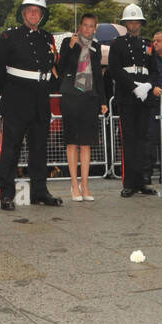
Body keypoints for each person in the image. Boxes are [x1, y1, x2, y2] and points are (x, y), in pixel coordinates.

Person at [0, 0, 62, 209]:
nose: (33, 13)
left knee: (39, 149)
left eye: (37, 11)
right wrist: (6, 90)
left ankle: (40, 191)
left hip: (40, 100)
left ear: (42, 15)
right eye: (29, 10)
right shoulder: (10, 36)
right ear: (23, 14)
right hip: (17, 99)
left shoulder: (48, 38)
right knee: (11, 148)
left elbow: (52, 67)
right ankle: (7, 193)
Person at [107, 4, 159, 196]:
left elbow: (155, 70)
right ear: (125, 23)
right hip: (128, 95)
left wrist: (147, 86)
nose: (134, 24)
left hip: (145, 95)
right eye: (130, 21)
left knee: (144, 140)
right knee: (128, 139)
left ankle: (142, 181)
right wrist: (133, 86)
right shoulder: (117, 43)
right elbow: (115, 69)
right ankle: (129, 182)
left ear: (141, 23)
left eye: (137, 21)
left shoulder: (148, 44)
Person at [57, 13, 106, 201]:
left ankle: (85, 185)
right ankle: (73, 185)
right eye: (84, 25)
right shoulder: (68, 42)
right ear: (79, 26)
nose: (87, 29)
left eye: (91, 26)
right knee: (72, 141)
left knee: (86, 142)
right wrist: (70, 48)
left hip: (90, 96)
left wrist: (102, 100)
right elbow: (60, 69)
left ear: (95, 28)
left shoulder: (96, 47)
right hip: (71, 94)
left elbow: (98, 75)